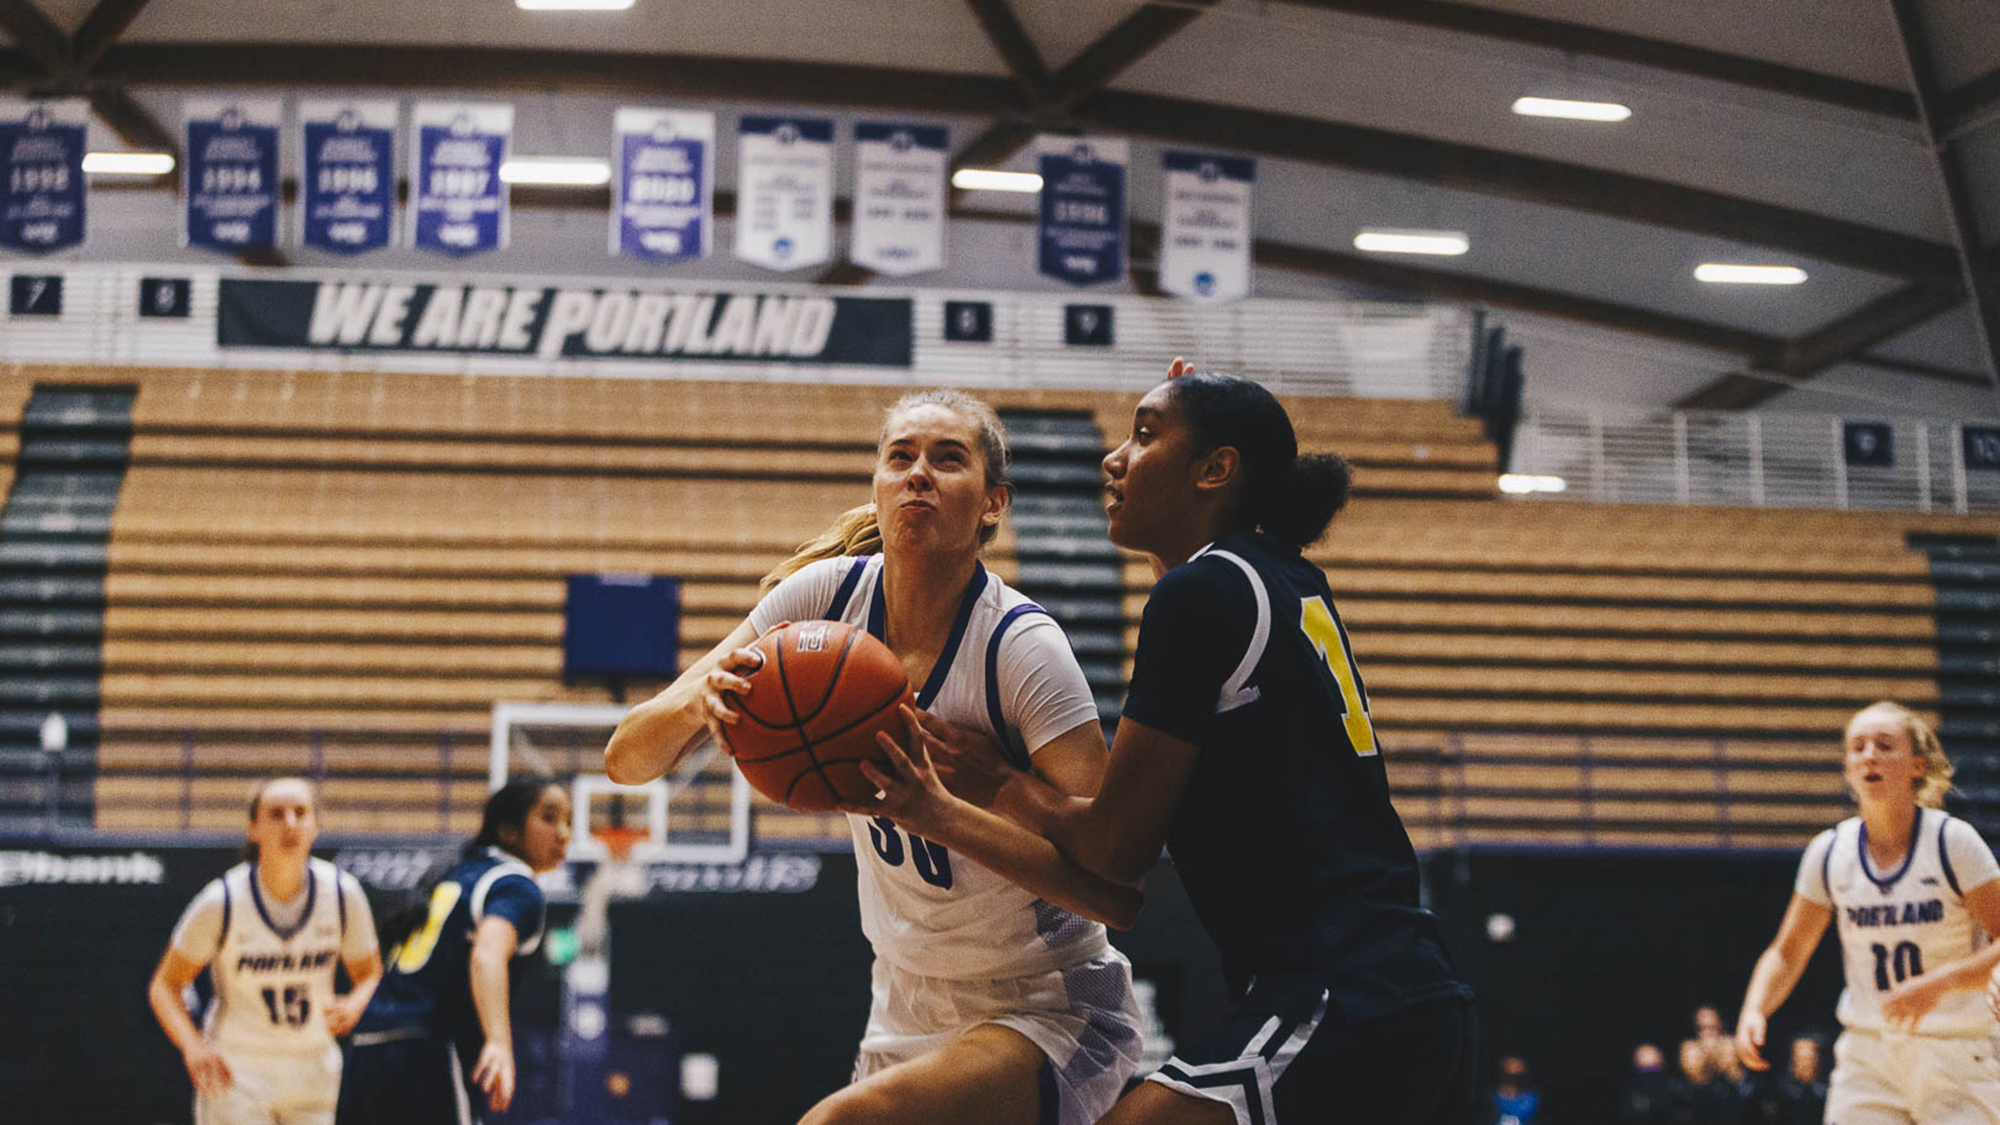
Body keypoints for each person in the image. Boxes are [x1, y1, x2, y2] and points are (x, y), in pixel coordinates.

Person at [856, 362, 1478, 1124]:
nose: (1114, 457)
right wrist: (1202, 409)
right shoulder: (1283, 575)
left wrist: (997, 781)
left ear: (1216, 469)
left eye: (1146, 435)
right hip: (1404, 984)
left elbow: (1116, 850)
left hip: (1336, 988)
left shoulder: (1200, 593)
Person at [604, 388, 1145, 1125]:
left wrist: (946, 810)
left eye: (948, 459)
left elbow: (1115, 889)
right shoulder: (819, 601)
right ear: (878, 485)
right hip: (902, 995)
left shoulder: (1021, 648)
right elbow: (626, 759)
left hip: (1045, 1001)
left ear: (993, 502)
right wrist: (700, 700)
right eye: (901, 456)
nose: (919, 473)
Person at [1733, 701, 2000, 1123]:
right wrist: (1754, 1008)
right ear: (1847, 770)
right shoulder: (1830, 852)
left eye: (1885, 745)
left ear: (1917, 765)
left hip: (1957, 1049)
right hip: (1870, 1054)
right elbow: (1788, 952)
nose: (1870, 754)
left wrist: (1939, 984)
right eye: (1858, 747)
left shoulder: (1953, 843)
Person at [147, 777, 383, 1125]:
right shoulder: (221, 901)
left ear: (316, 826)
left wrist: (355, 1003)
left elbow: (370, 973)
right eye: (276, 814)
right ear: (253, 828)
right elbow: (164, 987)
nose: (290, 823)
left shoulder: (343, 894)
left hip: (314, 1065)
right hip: (239, 1067)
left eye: (300, 813)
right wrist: (193, 1048)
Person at [335, 778, 572, 1124]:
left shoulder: (454, 872)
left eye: (568, 821)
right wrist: (499, 1042)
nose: (564, 833)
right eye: (549, 818)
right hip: (427, 1050)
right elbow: (486, 955)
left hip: (367, 1046)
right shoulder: (517, 885)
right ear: (508, 831)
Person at [1619, 1043, 1672, 1125]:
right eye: (1644, 1068)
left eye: (1654, 1067)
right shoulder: (1631, 1091)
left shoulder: (1672, 1087)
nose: (1649, 1070)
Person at [1490, 1055, 1541, 1125]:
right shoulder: (1490, 1099)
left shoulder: (1533, 1101)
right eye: (1509, 1077)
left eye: (1518, 1077)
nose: (1513, 1082)